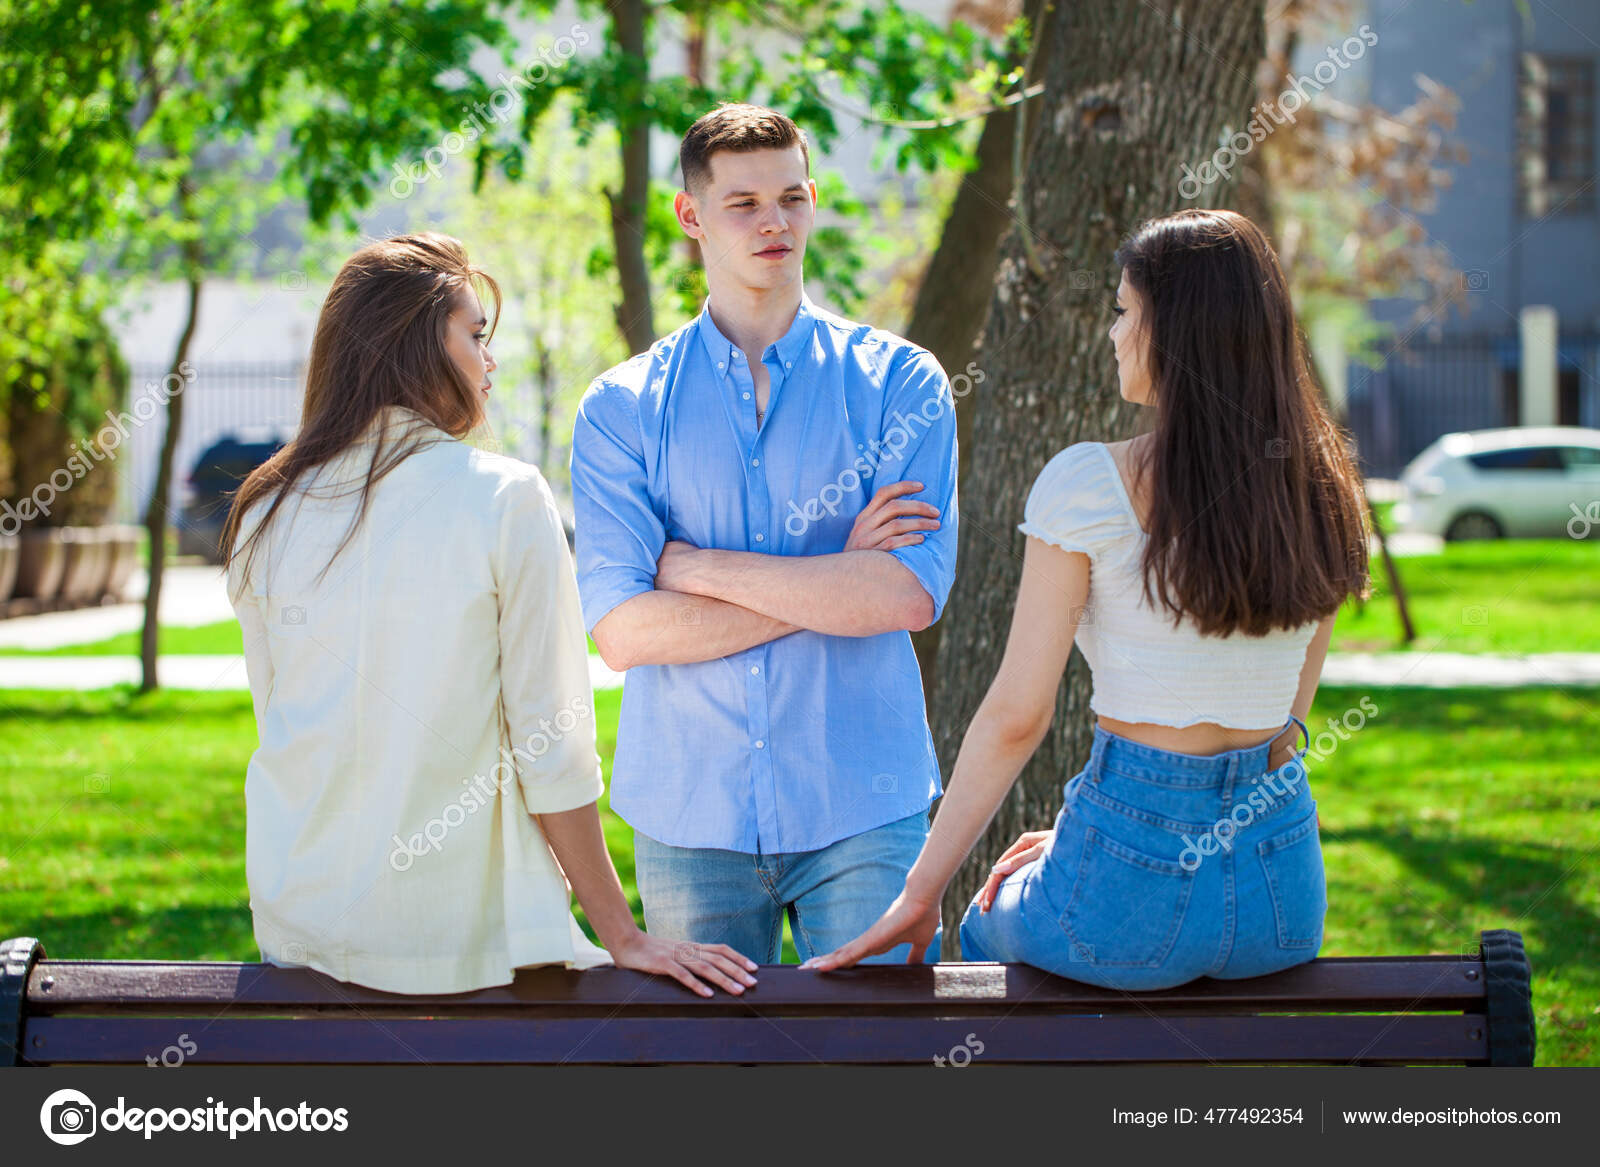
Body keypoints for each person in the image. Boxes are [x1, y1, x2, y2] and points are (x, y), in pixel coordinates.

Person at [804, 209, 1371, 988]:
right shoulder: (1322, 489)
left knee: (984, 923)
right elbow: (1285, 729)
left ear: (1174, 331)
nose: (1113, 333)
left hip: (1131, 892)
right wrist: (1085, 839)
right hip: (1282, 901)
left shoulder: (1090, 484)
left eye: (1124, 311)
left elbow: (1017, 716)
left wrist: (920, 891)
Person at [222, 232, 756, 997]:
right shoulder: (505, 498)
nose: (490, 360)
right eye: (475, 335)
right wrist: (623, 933)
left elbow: (283, 723)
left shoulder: (264, 511)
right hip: (462, 943)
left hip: (302, 926)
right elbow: (552, 745)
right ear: (415, 346)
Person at [570, 103, 960, 965]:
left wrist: (695, 568)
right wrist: (837, 576)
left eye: (791, 197)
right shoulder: (621, 408)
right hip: (690, 813)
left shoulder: (902, 383)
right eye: (743, 203)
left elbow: (905, 594)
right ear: (691, 215)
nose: (774, 221)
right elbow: (625, 633)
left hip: (863, 804)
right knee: (702, 1057)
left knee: (882, 1048)